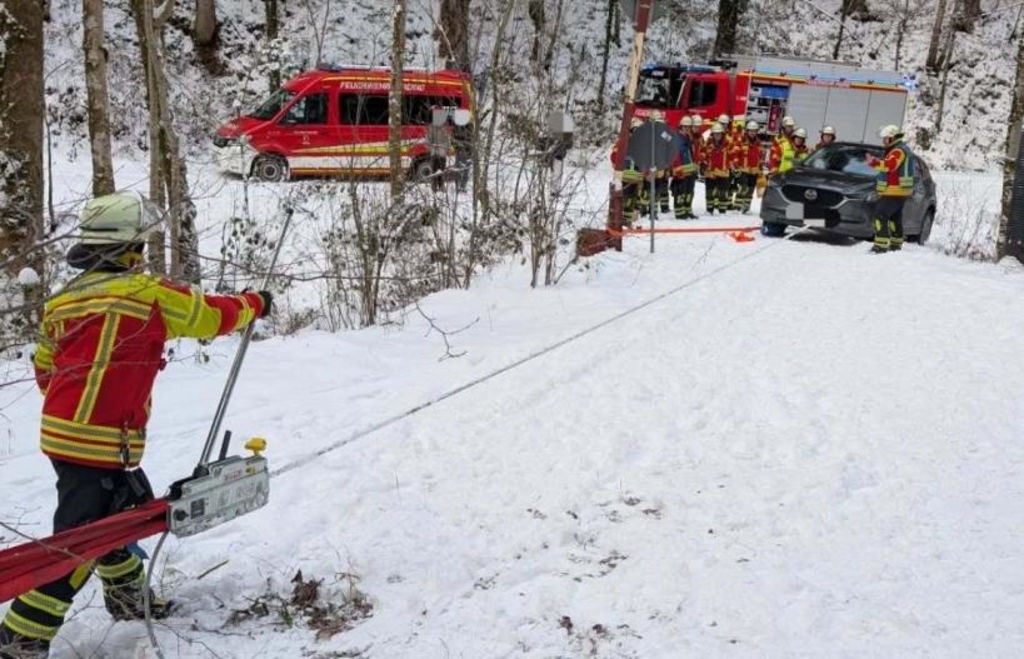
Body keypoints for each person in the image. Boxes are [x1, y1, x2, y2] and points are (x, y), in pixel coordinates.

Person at [0, 192, 271, 659]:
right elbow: (210, 315)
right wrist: (255, 302)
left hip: (64, 435)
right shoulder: (147, 294)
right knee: (79, 541)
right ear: (130, 250)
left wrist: (79, 406)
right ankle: (22, 636)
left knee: (121, 510)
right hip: (103, 440)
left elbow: (46, 366)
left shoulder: (63, 300)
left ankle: (126, 597)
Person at [867, 124, 916, 253]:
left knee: (880, 216)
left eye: (885, 138)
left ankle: (880, 246)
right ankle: (895, 245)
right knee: (895, 218)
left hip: (894, 191)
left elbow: (890, 165)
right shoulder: (902, 149)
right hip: (899, 191)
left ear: (892, 138)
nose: (883, 141)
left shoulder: (897, 151)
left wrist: (874, 162)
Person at [611, 118, 645, 224]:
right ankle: (621, 220)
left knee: (632, 201)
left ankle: (627, 220)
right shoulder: (623, 142)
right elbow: (614, 157)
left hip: (636, 178)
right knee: (624, 199)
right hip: (625, 177)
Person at [731, 120, 763, 214]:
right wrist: (736, 163)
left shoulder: (758, 142)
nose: (752, 133)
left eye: (754, 131)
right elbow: (735, 153)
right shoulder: (741, 141)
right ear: (747, 131)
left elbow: (760, 156)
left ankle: (746, 208)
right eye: (751, 131)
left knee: (750, 190)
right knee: (743, 188)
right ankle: (737, 207)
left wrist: (761, 166)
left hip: (754, 171)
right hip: (744, 170)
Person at [670, 116, 698, 219]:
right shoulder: (676, 137)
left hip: (690, 170)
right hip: (681, 170)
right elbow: (674, 155)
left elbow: (691, 153)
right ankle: (679, 212)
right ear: (681, 126)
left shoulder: (688, 137)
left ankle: (687, 210)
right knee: (680, 192)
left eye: (688, 126)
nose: (687, 128)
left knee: (689, 192)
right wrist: (677, 169)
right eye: (685, 126)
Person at [700, 123, 731, 214]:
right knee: (709, 192)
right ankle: (709, 210)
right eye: (715, 133)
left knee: (723, 192)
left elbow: (733, 156)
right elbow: (703, 154)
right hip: (710, 172)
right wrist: (703, 164)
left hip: (723, 172)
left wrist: (734, 165)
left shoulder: (728, 144)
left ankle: (722, 211)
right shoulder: (708, 144)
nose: (717, 135)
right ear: (712, 134)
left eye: (719, 133)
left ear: (722, 134)